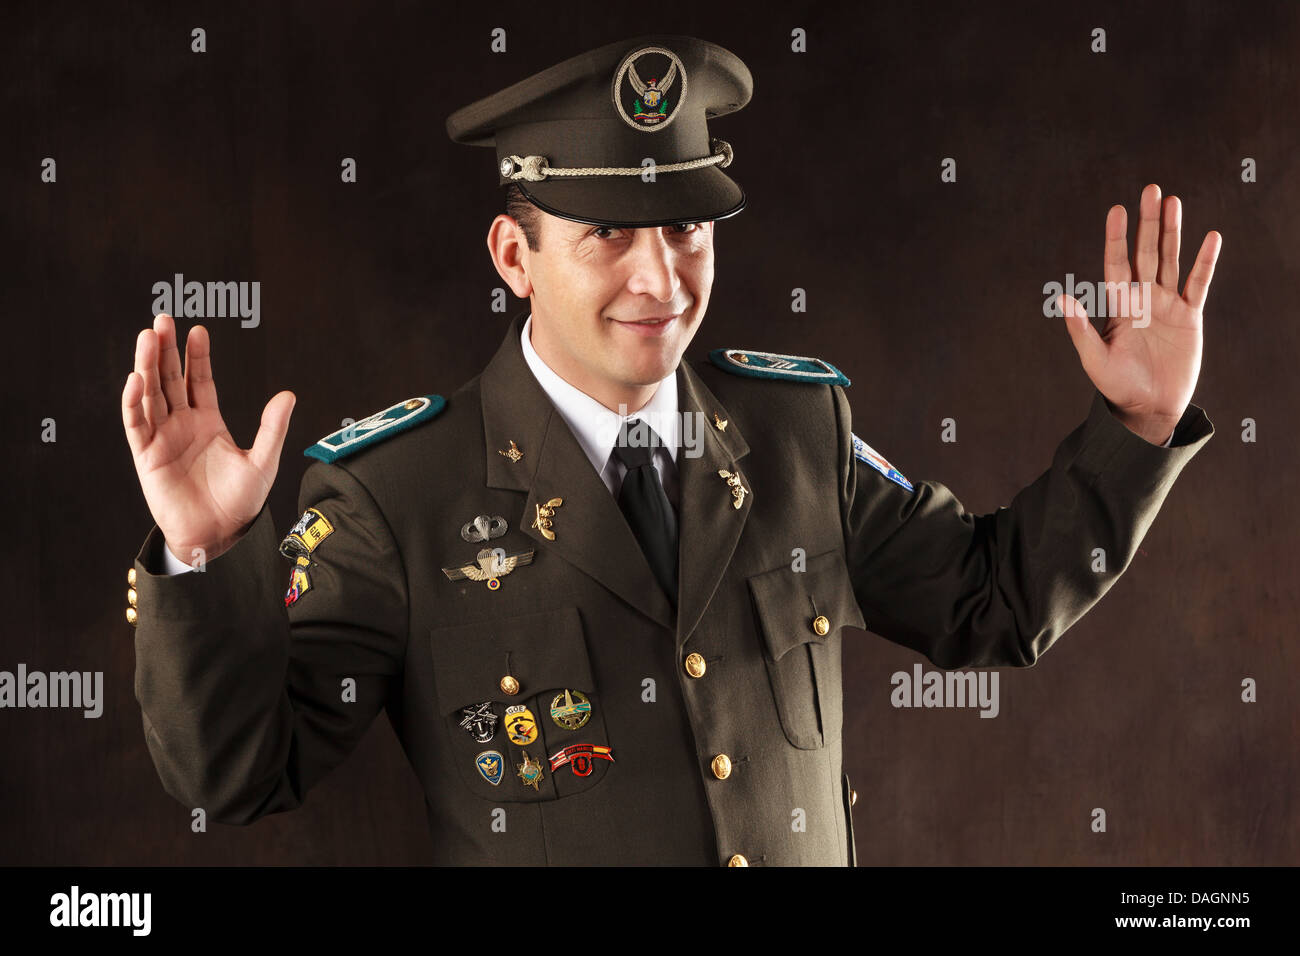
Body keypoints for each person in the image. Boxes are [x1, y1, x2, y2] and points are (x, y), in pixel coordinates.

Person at [120, 34, 1219, 866]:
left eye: (687, 228)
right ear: (514, 252)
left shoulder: (795, 430)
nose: (662, 278)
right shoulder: (396, 492)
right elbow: (242, 772)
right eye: (607, 233)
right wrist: (204, 556)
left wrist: (1135, 427)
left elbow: (994, 603)